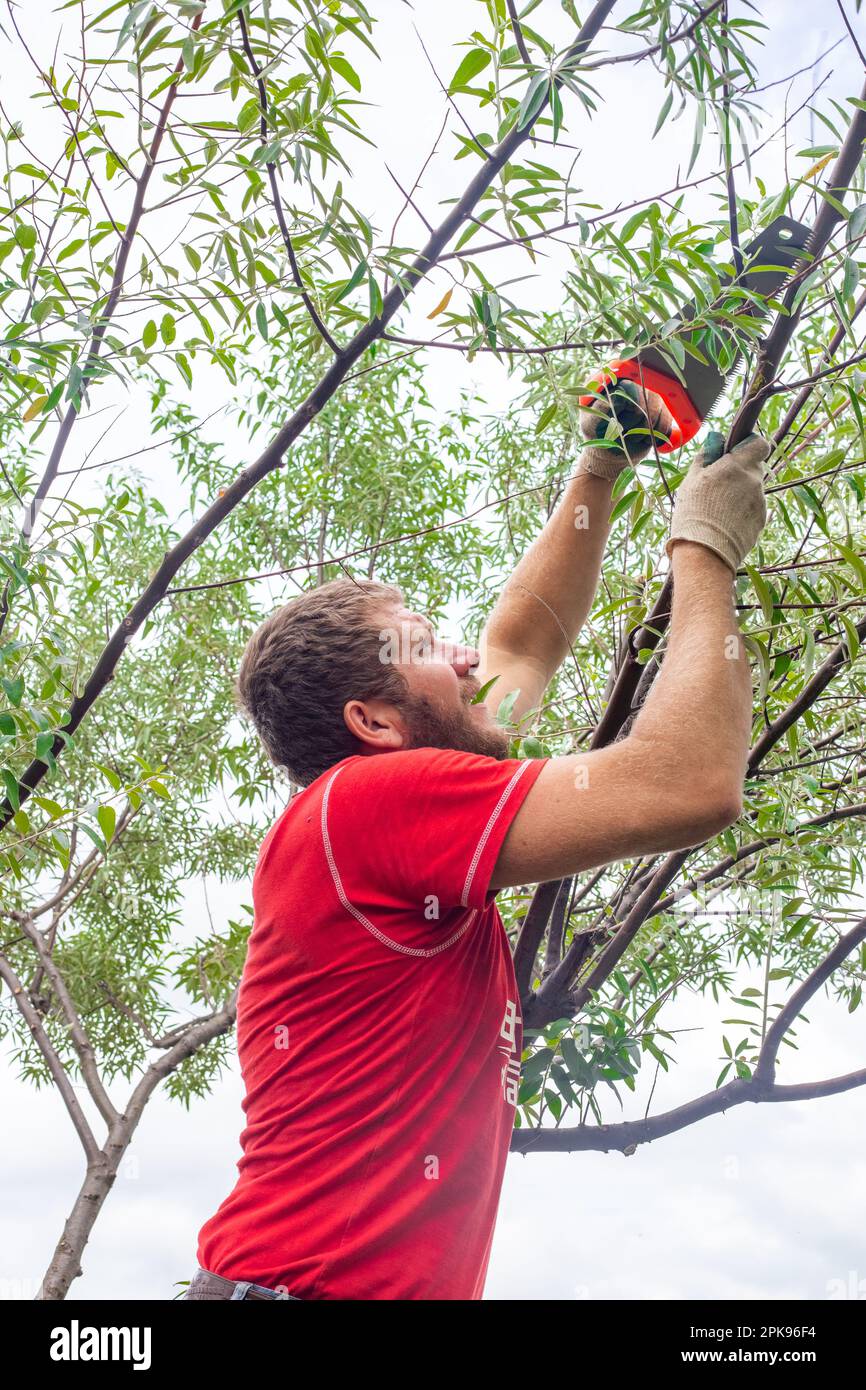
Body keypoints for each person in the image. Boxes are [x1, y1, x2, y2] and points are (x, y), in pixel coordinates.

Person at [185, 385, 770, 1300]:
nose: (464, 660)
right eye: (426, 646)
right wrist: (705, 552)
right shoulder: (374, 801)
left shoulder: (372, 816)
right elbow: (689, 782)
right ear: (373, 721)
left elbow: (523, 641)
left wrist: (602, 463)